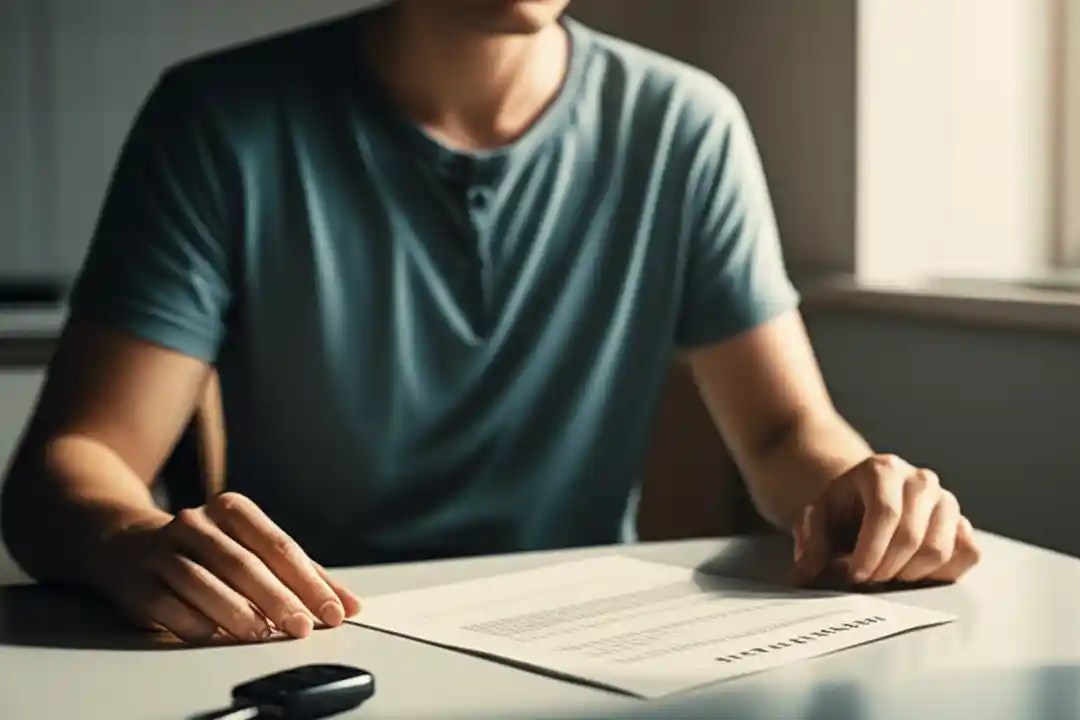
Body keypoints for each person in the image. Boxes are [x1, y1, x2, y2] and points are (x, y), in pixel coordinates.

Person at [1, 0, 979, 644]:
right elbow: (78, 456)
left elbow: (781, 434)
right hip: (310, 638)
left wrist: (857, 496)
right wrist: (126, 538)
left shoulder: (684, 124)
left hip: (591, 647)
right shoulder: (218, 121)